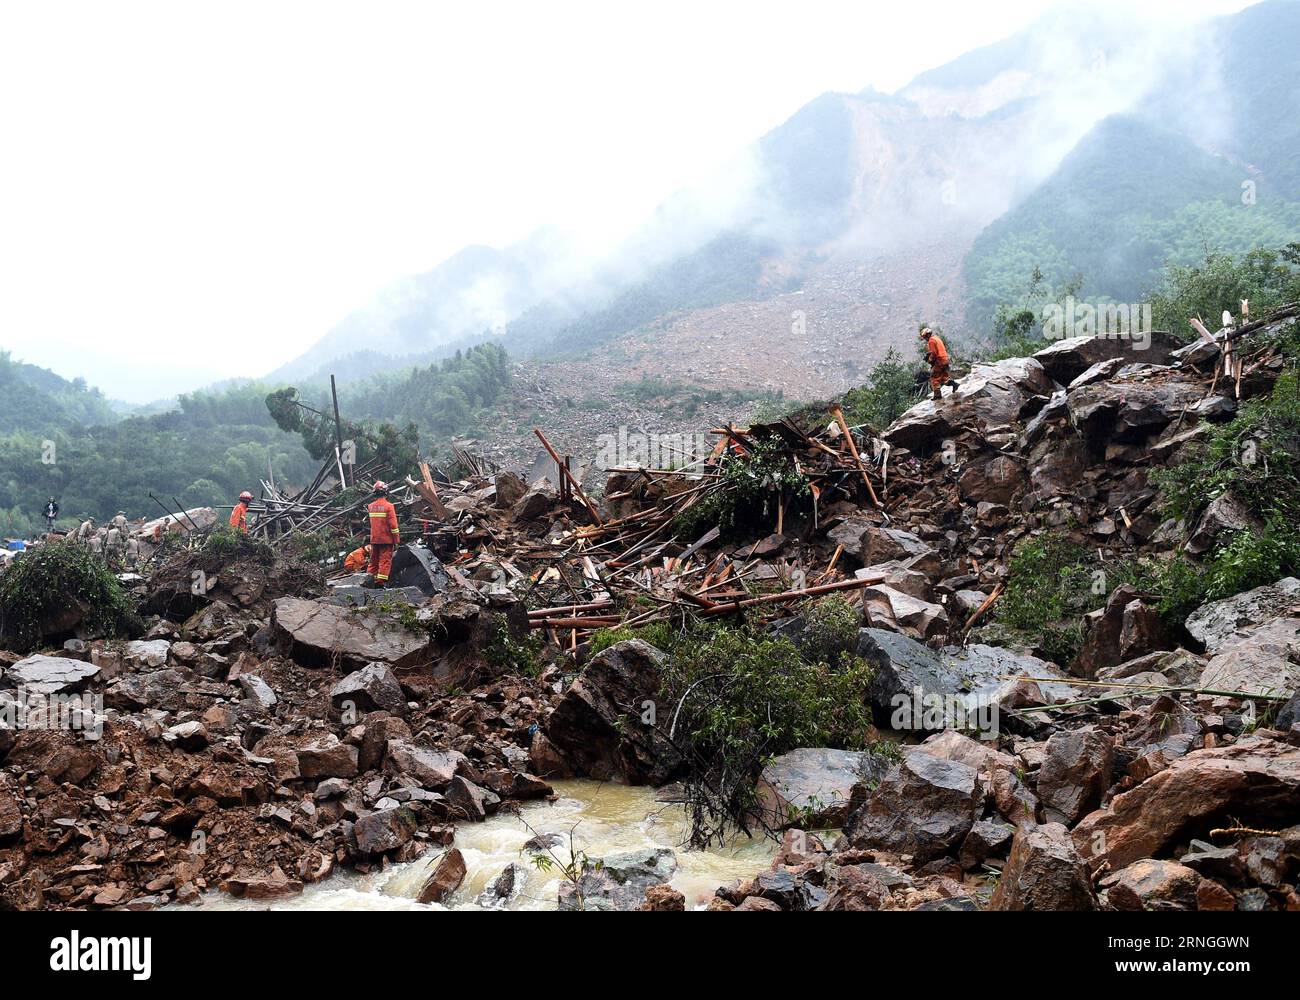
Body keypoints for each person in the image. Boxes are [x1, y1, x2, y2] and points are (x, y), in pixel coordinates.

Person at [363, 481, 400, 588]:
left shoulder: (370, 506)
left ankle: (368, 580)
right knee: (385, 561)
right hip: (386, 540)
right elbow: (393, 526)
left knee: (373, 561)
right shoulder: (389, 506)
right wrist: (396, 540)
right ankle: (380, 583)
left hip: (374, 539)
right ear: (386, 492)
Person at [920, 326, 958, 401]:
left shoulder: (931, 340)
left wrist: (930, 360)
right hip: (945, 359)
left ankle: (937, 395)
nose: (925, 339)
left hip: (940, 360)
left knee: (934, 377)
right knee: (943, 377)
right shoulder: (936, 338)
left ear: (926, 335)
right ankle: (954, 384)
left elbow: (934, 353)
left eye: (924, 337)